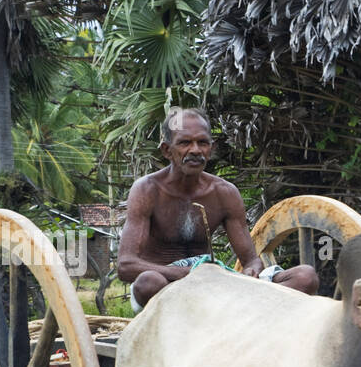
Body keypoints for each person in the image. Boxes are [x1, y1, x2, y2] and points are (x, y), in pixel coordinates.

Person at [116, 107, 318, 311]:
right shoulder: (147, 190)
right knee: (148, 282)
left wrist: (251, 272)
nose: (195, 150)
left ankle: (241, 317)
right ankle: (234, 313)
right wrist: (189, 274)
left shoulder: (224, 192)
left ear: (211, 149)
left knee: (305, 276)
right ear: (167, 150)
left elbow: (251, 261)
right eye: (185, 142)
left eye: (202, 143)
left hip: (213, 284)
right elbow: (126, 266)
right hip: (167, 285)